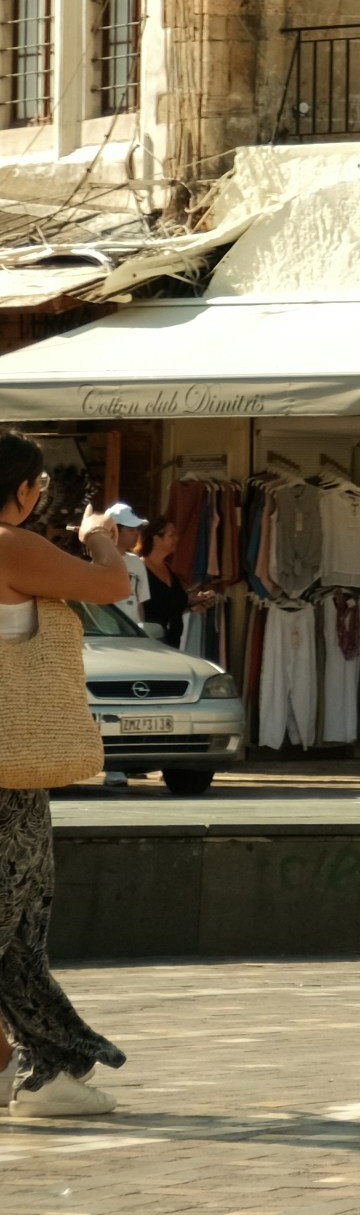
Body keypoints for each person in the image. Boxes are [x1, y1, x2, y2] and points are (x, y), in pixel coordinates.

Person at [0, 431, 139, 1116]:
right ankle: (34, 1071)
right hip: (6, 769)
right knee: (14, 920)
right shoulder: (8, 544)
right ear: (24, 488)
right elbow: (111, 585)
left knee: (16, 930)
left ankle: (43, 1068)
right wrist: (99, 536)